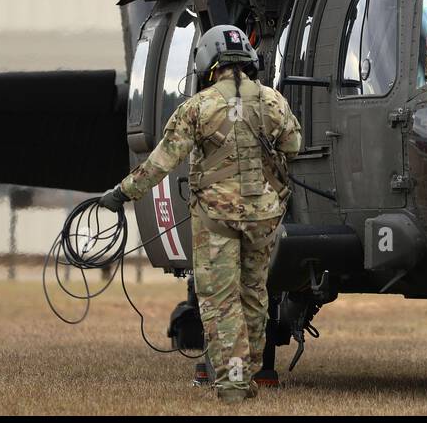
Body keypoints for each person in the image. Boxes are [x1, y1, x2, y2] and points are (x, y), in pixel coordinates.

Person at [99, 24, 302, 403]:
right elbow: (294, 145)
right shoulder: (273, 101)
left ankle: (232, 382)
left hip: (217, 219)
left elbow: (160, 162)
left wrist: (121, 194)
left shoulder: (199, 107)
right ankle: (249, 369)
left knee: (220, 299)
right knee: (255, 294)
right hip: (262, 218)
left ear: (208, 61)